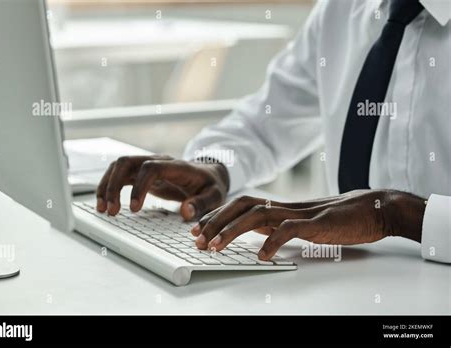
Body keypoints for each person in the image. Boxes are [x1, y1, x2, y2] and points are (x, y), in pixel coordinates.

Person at [96, 0, 450, 264]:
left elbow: (390, 215)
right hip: (352, 283)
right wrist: (215, 166)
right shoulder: (343, 9)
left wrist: (397, 215)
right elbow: (266, 120)